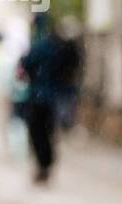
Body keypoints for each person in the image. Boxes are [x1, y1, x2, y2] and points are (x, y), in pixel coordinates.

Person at [19, 15, 82, 185]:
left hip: (39, 96)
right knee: (49, 132)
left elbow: (25, 65)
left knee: (38, 133)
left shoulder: (39, 45)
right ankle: (46, 164)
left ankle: (43, 165)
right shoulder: (61, 46)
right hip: (56, 97)